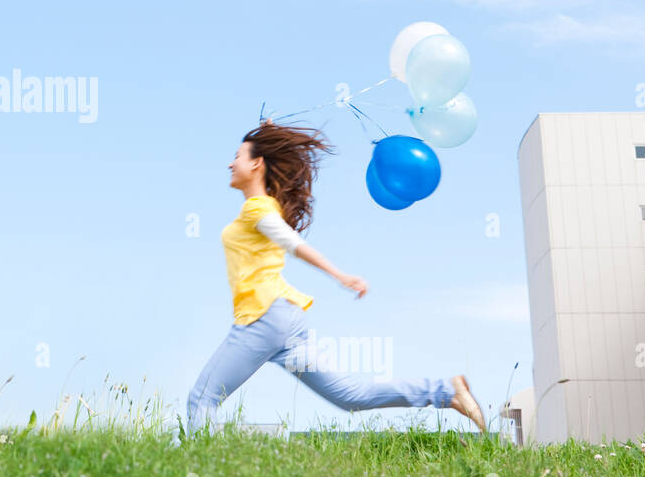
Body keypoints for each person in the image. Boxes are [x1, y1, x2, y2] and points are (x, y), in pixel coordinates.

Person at [184, 119, 486, 437]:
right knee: (350, 396)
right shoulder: (265, 205)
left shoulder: (258, 210)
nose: (231, 163)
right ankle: (445, 391)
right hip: (285, 319)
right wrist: (270, 134)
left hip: (263, 316)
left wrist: (339, 275)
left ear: (256, 164)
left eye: (238, 156)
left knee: (201, 399)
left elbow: (294, 244)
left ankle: (203, 475)